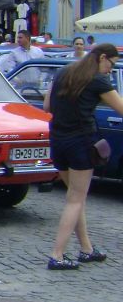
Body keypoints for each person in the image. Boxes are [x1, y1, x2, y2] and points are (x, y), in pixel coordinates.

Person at [44, 43, 123, 269]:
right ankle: (57, 255)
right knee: (75, 199)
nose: (110, 70)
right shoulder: (98, 80)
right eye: (112, 64)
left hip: (58, 141)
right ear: (103, 58)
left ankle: (86, 249)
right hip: (81, 142)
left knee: (75, 198)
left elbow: (48, 105)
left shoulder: (64, 72)